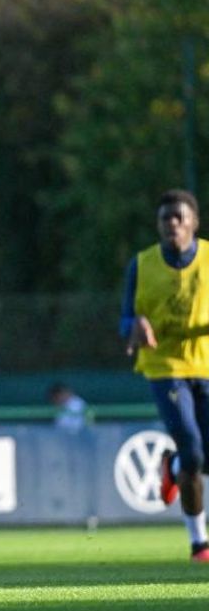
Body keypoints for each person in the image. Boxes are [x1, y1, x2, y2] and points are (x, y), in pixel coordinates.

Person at [121, 189, 209, 562]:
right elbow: (125, 318)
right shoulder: (142, 265)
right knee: (192, 448)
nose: (172, 223)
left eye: (179, 217)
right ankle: (199, 543)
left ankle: (171, 466)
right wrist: (135, 325)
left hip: (205, 365)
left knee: (201, 457)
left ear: (194, 222)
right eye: (165, 218)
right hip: (165, 367)